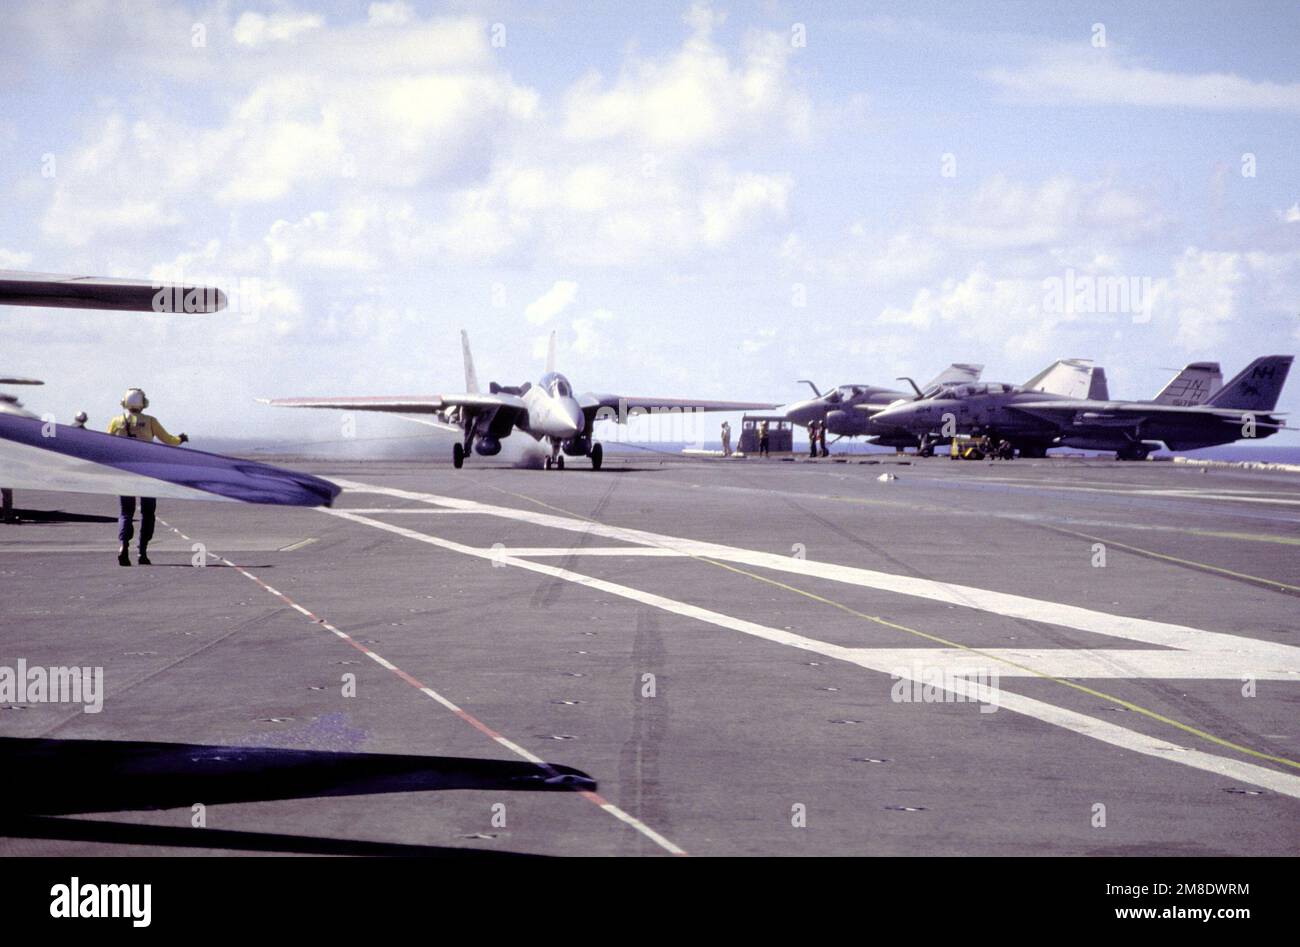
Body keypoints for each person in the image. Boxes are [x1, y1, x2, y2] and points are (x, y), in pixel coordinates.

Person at [108, 388, 188, 566]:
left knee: (126, 513)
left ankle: (123, 546)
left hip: (124, 473)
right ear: (143, 403)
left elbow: (106, 443)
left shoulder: (116, 421)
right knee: (147, 513)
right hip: (147, 472)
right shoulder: (150, 421)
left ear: (125, 403)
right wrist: (181, 438)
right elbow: (169, 441)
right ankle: (142, 552)